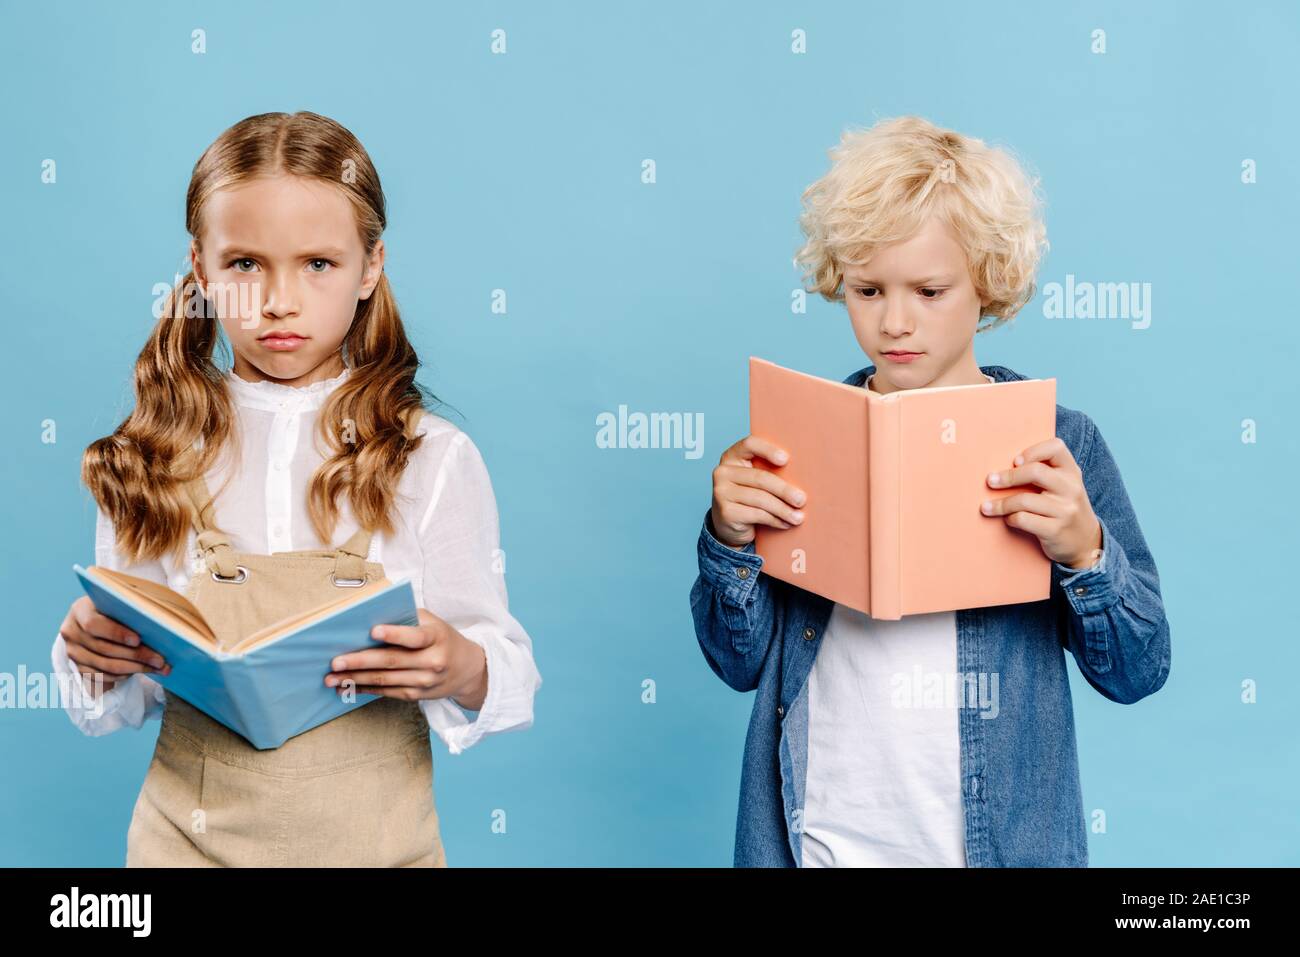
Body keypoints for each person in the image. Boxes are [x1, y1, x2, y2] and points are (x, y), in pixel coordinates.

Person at [52, 111, 542, 867]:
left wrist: (462, 664)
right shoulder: (154, 452)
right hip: (182, 845)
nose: (279, 299)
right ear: (201, 269)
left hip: (380, 847)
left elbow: (505, 671)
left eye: (318, 263)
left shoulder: (431, 457)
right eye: (246, 264)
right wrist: (92, 650)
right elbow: (119, 702)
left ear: (371, 267)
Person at [690, 115, 1170, 867]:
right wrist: (729, 539)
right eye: (868, 289)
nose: (895, 321)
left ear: (986, 281)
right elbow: (736, 663)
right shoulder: (800, 438)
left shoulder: (1059, 443)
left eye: (930, 289)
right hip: (816, 844)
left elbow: (1139, 671)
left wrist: (1085, 552)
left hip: (993, 848)